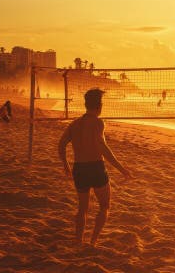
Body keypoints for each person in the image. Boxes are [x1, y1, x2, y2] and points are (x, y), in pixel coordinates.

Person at [57, 88, 132, 245]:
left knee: (82, 209)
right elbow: (103, 148)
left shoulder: (74, 124)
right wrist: (122, 169)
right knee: (104, 206)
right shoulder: (98, 122)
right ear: (99, 106)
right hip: (96, 168)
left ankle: (78, 241)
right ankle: (93, 241)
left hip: (79, 169)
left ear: (86, 105)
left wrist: (66, 165)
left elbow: (61, 144)